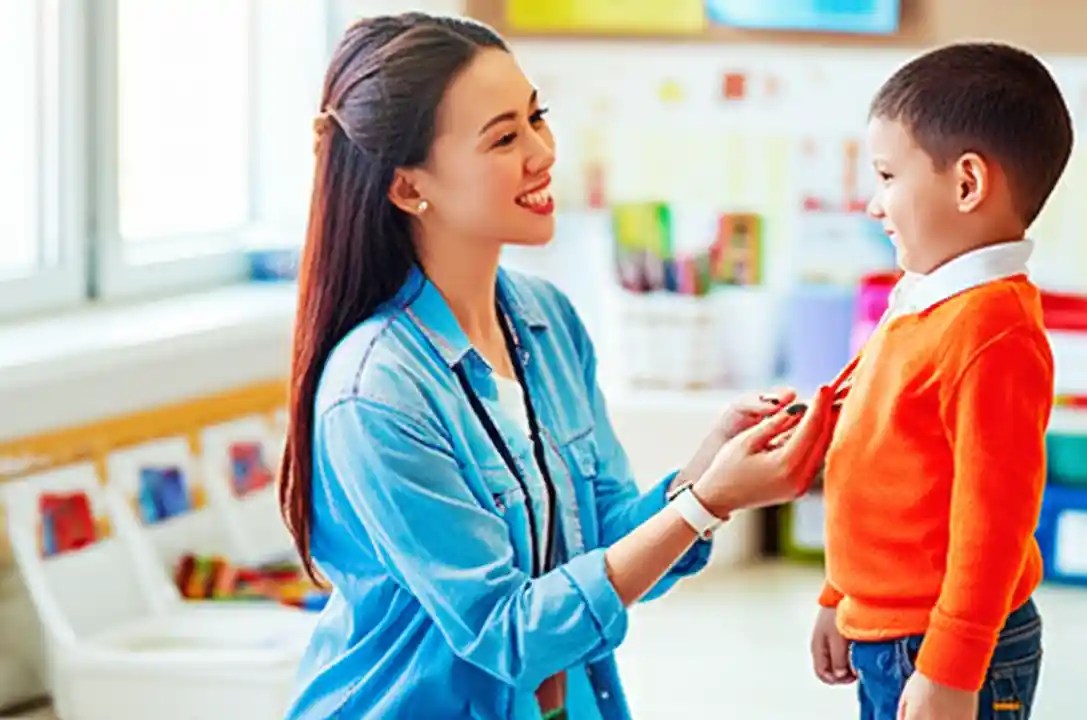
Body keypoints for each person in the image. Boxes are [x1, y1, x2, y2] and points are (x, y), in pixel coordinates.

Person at [278, 13, 836, 720]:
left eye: (536, 118)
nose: (542, 152)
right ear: (408, 187)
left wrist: (705, 474)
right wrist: (704, 505)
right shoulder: (376, 394)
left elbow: (603, 545)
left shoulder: (547, 323)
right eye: (503, 138)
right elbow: (509, 635)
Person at [809, 43, 1073, 720]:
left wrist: (953, 665)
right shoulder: (927, 300)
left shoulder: (992, 330)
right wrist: (842, 595)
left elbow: (995, 522)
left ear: (967, 184)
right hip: (894, 632)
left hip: (943, 645)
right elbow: (880, 472)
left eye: (887, 176)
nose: (874, 204)